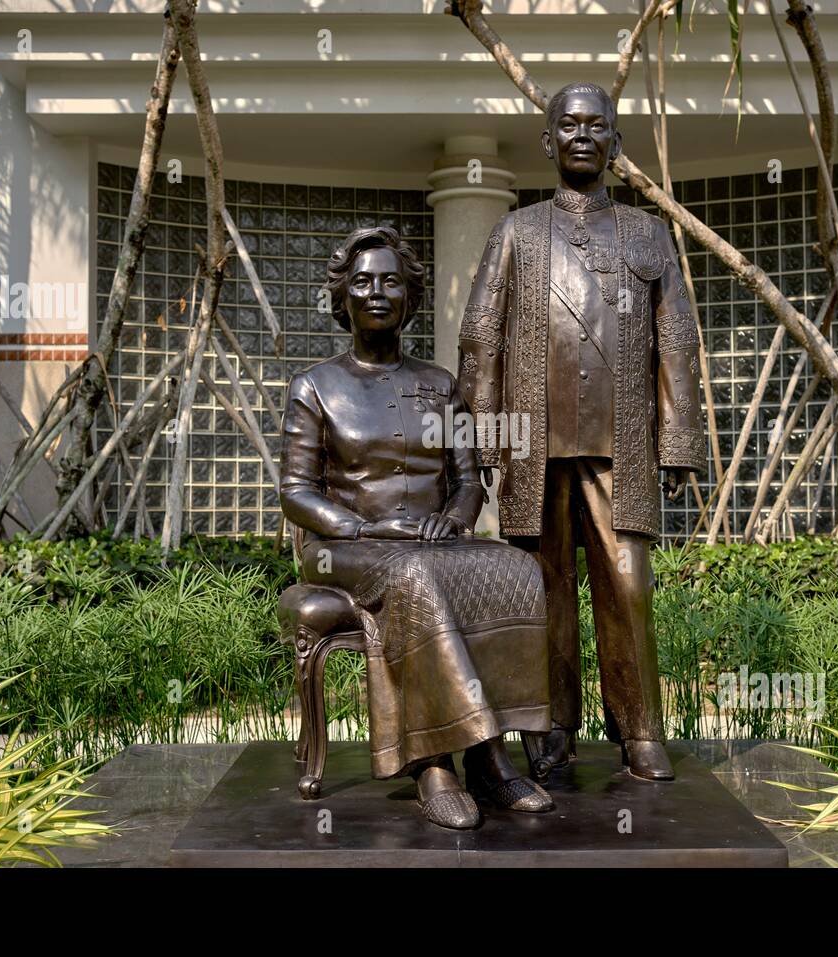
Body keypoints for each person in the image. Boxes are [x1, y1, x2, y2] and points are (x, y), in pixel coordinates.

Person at [457, 82, 708, 782]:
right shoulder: (516, 231)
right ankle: (550, 727)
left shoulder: (646, 233)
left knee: (629, 587)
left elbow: (676, 339)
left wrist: (678, 440)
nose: (581, 136)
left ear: (615, 143)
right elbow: (481, 336)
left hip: (620, 443)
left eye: (597, 126)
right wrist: (483, 437)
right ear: (547, 141)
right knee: (542, 593)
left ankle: (640, 729)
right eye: (568, 125)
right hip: (531, 444)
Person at [279, 225, 554, 830]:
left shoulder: (441, 384)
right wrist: (359, 528)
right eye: (362, 282)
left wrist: (451, 521)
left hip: (432, 545)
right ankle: (432, 764)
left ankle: (489, 758)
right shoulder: (315, 387)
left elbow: (467, 481)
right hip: (343, 550)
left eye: (391, 282)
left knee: (517, 568)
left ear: (410, 297)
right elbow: (295, 492)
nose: (377, 292)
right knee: (415, 577)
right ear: (341, 297)